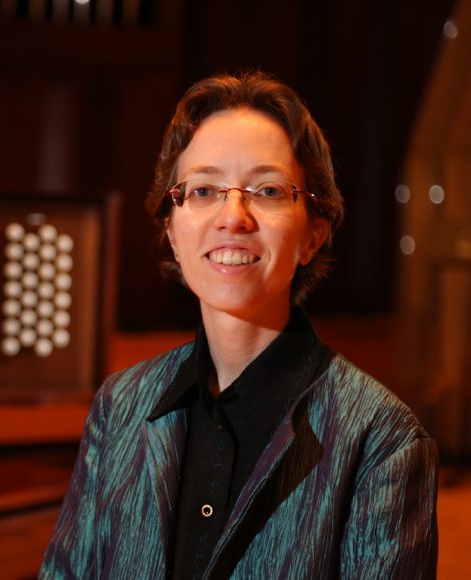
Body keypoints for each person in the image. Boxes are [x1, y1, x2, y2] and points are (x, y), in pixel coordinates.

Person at [39, 71, 438, 579]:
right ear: (171, 227)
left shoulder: (384, 442)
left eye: (267, 190)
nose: (234, 216)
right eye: (204, 189)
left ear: (313, 235)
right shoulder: (120, 406)